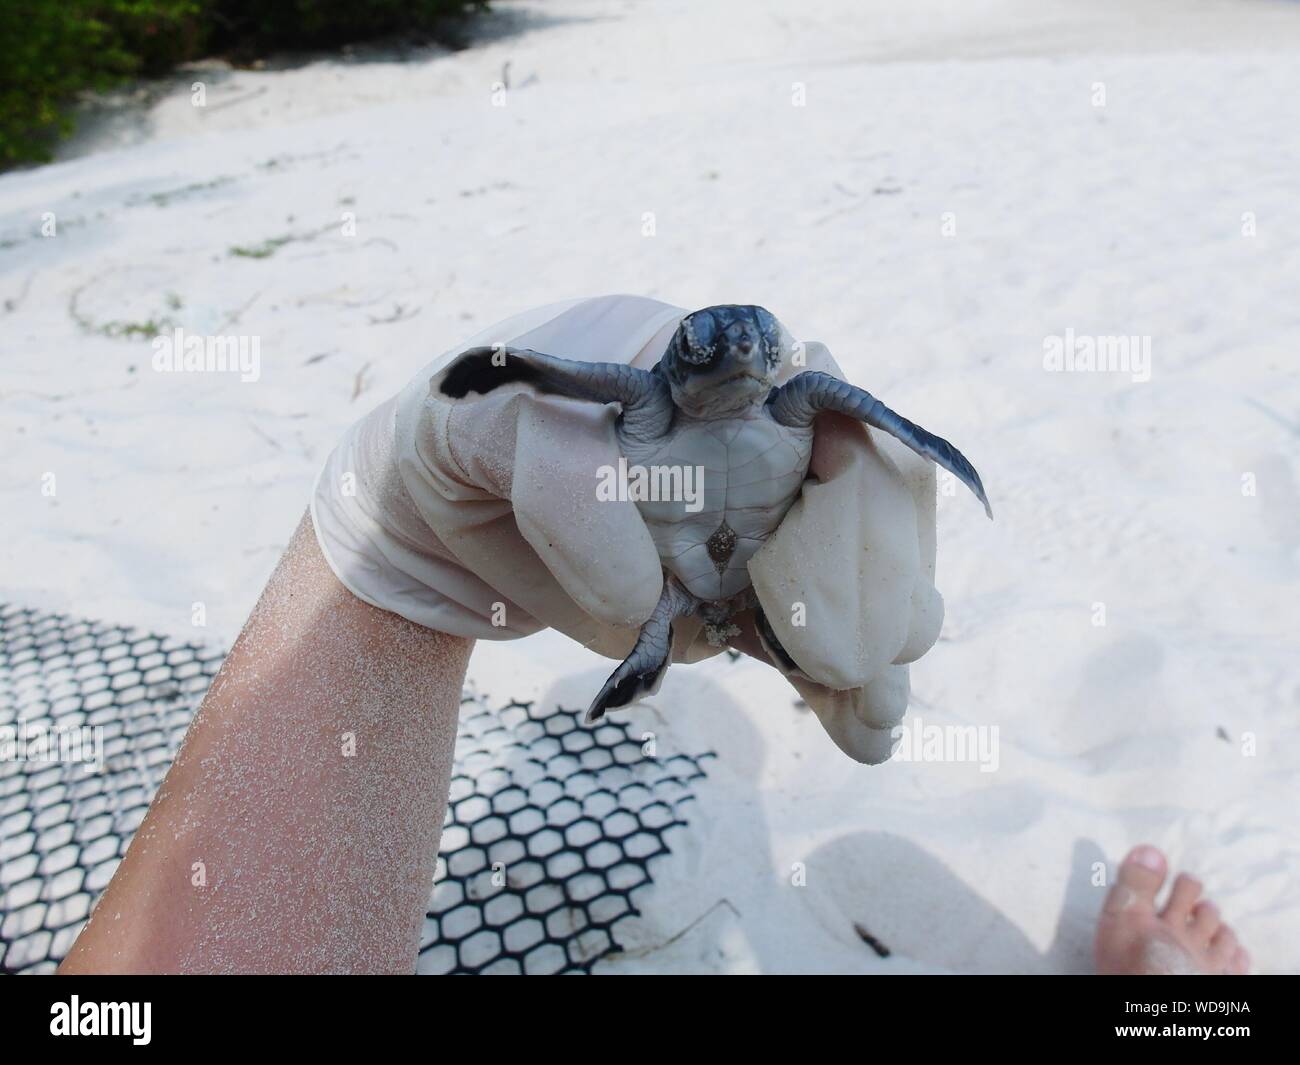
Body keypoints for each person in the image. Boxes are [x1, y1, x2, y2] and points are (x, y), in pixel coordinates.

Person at [57, 296, 1251, 975]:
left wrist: (377, 558)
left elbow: (874, 427)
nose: (726, 364)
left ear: (769, 356)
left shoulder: (785, 393)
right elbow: (554, 375)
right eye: (702, 351)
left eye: (747, 349)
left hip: (754, 573)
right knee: (746, 631)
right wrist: (450, 431)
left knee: (824, 622)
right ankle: (1161, 998)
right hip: (680, 587)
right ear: (680, 363)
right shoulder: (648, 396)